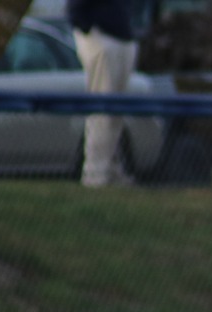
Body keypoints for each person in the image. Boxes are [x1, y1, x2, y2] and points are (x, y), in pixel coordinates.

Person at [67, 0, 139, 187]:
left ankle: (111, 168)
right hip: (102, 38)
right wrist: (89, 30)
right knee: (102, 110)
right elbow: (75, 9)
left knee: (115, 113)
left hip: (122, 37)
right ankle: (95, 173)